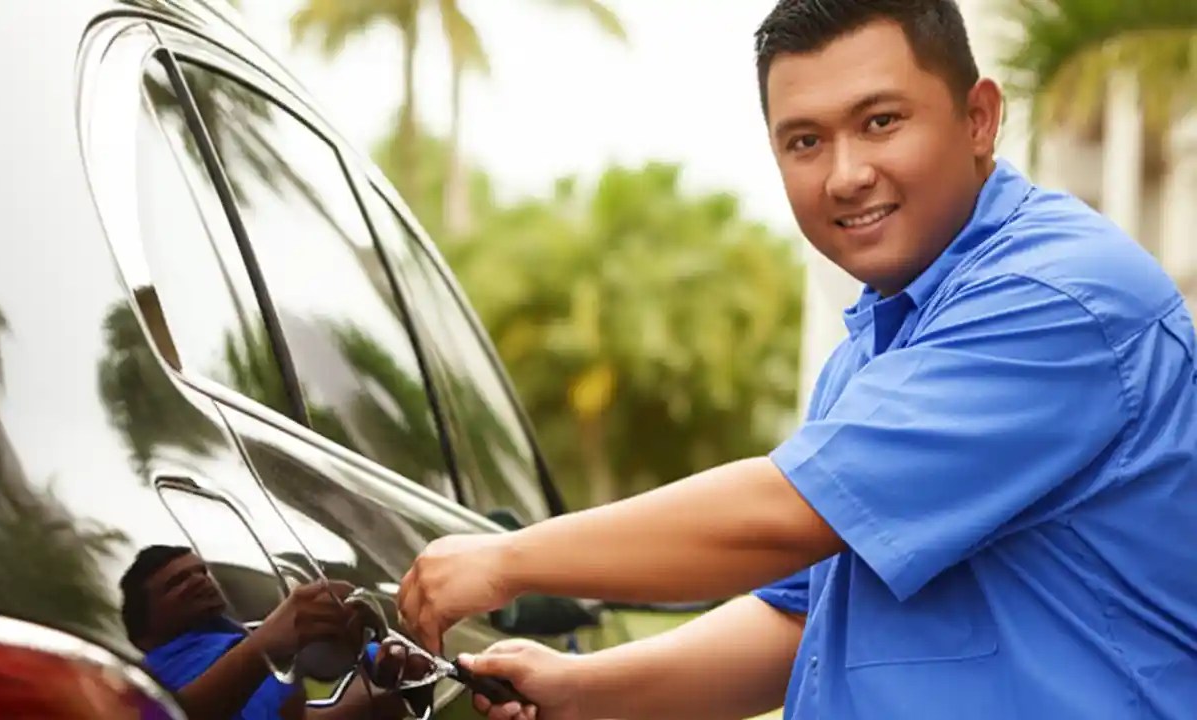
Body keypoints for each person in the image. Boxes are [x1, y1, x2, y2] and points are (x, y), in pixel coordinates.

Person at [395, 1, 1197, 719]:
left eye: (881, 121)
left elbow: (780, 518)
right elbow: (804, 618)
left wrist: (509, 560)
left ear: (979, 118)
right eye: (806, 141)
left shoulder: (1059, 295)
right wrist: (586, 689)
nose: (846, 176)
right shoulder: (874, 350)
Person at [119, 545, 424, 720]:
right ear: (142, 623)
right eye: (177, 582)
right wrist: (265, 647)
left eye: (200, 571)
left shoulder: (237, 646)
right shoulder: (142, 676)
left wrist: (393, 686)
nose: (199, 580)